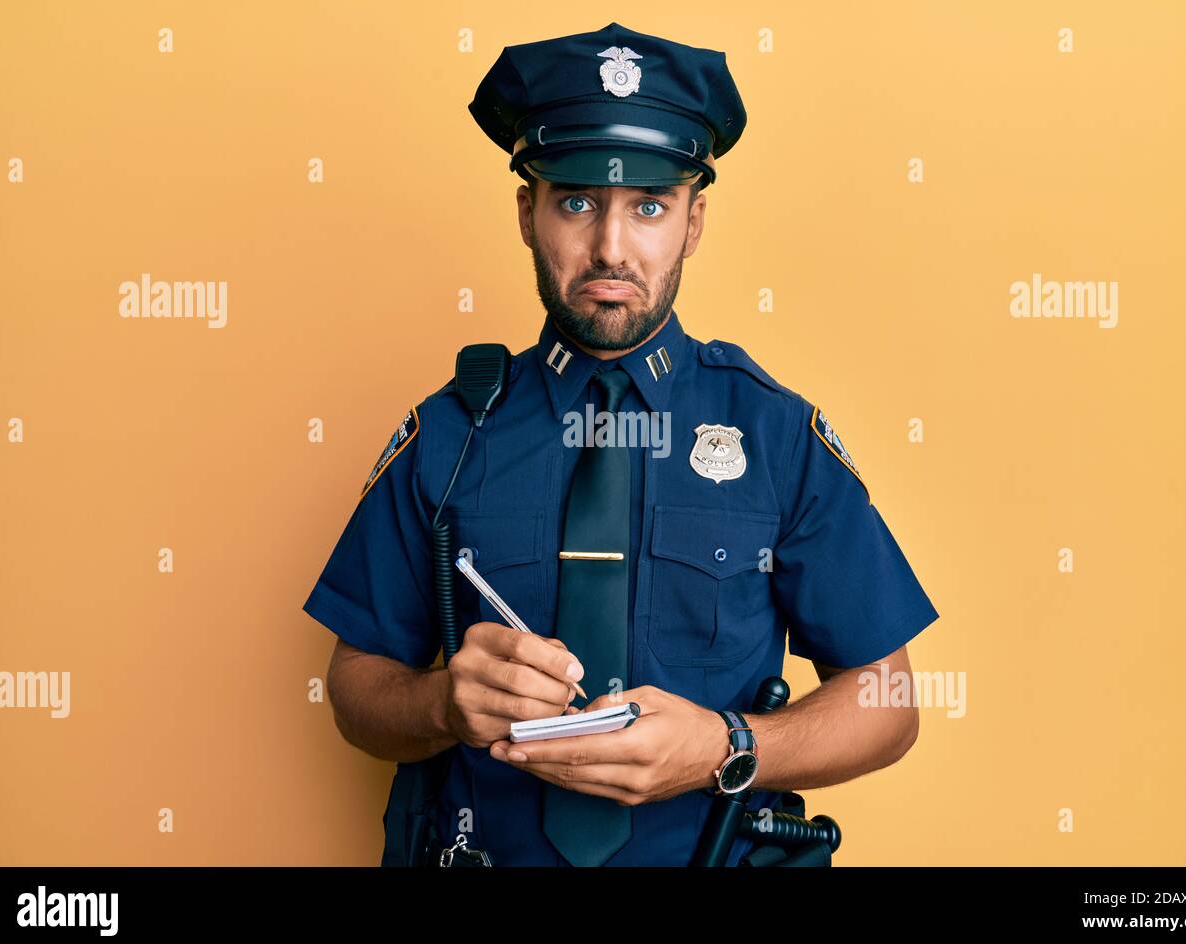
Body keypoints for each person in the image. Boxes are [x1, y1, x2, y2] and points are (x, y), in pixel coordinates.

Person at [302, 21, 940, 867]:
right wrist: (439, 706)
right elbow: (354, 689)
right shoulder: (449, 433)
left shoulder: (776, 434)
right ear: (527, 212)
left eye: (649, 206)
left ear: (693, 221)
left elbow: (889, 700)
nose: (611, 248)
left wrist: (725, 746)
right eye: (576, 201)